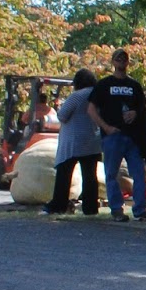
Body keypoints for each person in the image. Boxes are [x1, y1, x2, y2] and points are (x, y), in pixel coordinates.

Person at [87, 48, 146, 221]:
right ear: (112, 62)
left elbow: (143, 108)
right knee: (111, 173)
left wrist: (135, 113)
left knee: (139, 173)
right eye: (118, 59)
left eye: (124, 59)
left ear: (128, 62)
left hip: (133, 136)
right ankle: (116, 209)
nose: (121, 62)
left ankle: (140, 210)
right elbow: (91, 109)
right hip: (112, 136)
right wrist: (106, 127)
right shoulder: (104, 84)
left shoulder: (134, 85)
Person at [43, 69, 101, 217]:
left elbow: (62, 115)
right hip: (93, 140)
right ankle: (91, 207)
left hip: (73, 141)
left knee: (64, 173)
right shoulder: (98, 94)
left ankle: (58, 205)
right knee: (90, 176)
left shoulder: (77, 96)